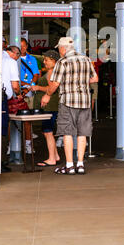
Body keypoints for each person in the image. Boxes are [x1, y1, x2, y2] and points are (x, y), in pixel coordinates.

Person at [41, 36, 98, 175]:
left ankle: (69, 165)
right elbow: (95, 78)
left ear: (62, 48)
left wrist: (47, 95)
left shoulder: (63, 62)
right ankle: (80, 164)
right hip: (84, 101)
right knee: (81, 133)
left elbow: (55, 84)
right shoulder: (86, 59)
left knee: (67, 133)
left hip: (68, 101)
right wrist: (81, 82)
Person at [28, 50, 60, 167]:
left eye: (47, 60)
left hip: (50, 106)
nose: (45, 62)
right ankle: (55, 156)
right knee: (47, 131)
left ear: (54, 61)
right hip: (52, 105)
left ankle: (52, 158)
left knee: (48, 132)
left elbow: (51, 88)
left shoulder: (52, 73)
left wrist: (38, 87)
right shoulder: (53, 71)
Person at [1, 46, 21, 172]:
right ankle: (0, 162)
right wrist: (18, 94)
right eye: (18, 55)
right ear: (14, 53)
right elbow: (15, 85)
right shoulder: (11, 62)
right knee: (2, 129)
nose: (17, 58)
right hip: (2, 98)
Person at [20, 38, 41, 154]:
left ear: (27, 46)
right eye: (20, 46)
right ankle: (11, 145)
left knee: (28, 119)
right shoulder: (13, 59)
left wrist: (31, 85)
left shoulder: (31, 59)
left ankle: (28, 144)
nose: (22, 48)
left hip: (29, 92)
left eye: (24, 46)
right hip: (18, 92)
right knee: (12, 121)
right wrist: (25, 85)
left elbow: (36, 74)